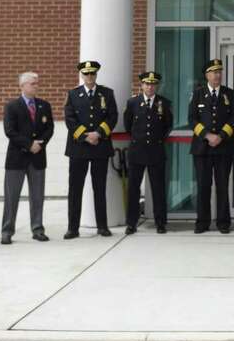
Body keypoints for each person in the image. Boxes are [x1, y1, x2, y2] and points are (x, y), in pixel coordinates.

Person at [64, 60, 118, 239]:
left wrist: (98, 134)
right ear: (81, 75)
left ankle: (102, 226)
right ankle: (73, 228)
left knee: (100, 188)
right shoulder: (73, 94)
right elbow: (69, 119)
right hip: (79, 147)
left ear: (96, 75)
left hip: (100, 147)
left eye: (92, 73)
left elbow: (112, 116)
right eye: (86, 74)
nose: (89, 77)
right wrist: (86, 136)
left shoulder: (107, 93)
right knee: (75, 189)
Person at [1, 71, 54, 244]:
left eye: (37, 83)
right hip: (17, 159)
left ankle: (37, 229)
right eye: (33, 83)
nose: (36, 86)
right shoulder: (12, 106)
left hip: (38, 158)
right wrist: (28, 144)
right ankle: (7, 231)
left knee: (37, 196)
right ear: (22, 86)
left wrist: (40, 144)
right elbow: (10, 131)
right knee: (12, 197)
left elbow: (49, 128)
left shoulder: (44, 105)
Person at [188, 58, 234, 234]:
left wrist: (221, 136)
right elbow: (192, 119)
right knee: (203, 186)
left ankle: (223, 222)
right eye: (214, 72)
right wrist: (207, 135)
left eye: (219, 72)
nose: (217, 75)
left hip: (224, 148)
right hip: (202, 148)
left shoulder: (229, 94)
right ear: (207, 75)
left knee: (223, 186)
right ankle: (202, 222)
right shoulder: (198, 94)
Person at [123, 70, 174, 234]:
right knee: (133, 189)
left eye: (153, 84)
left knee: (158, 189)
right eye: (147, 84)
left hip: (156, 151)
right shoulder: (133, 103)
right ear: (142, 85)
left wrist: (157, 139)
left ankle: (161, 222)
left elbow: (168, 126)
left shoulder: (164, 103)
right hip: (137, 152)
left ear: (156, 86)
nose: (150, 87)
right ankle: (131, 223)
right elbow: (127, 125)